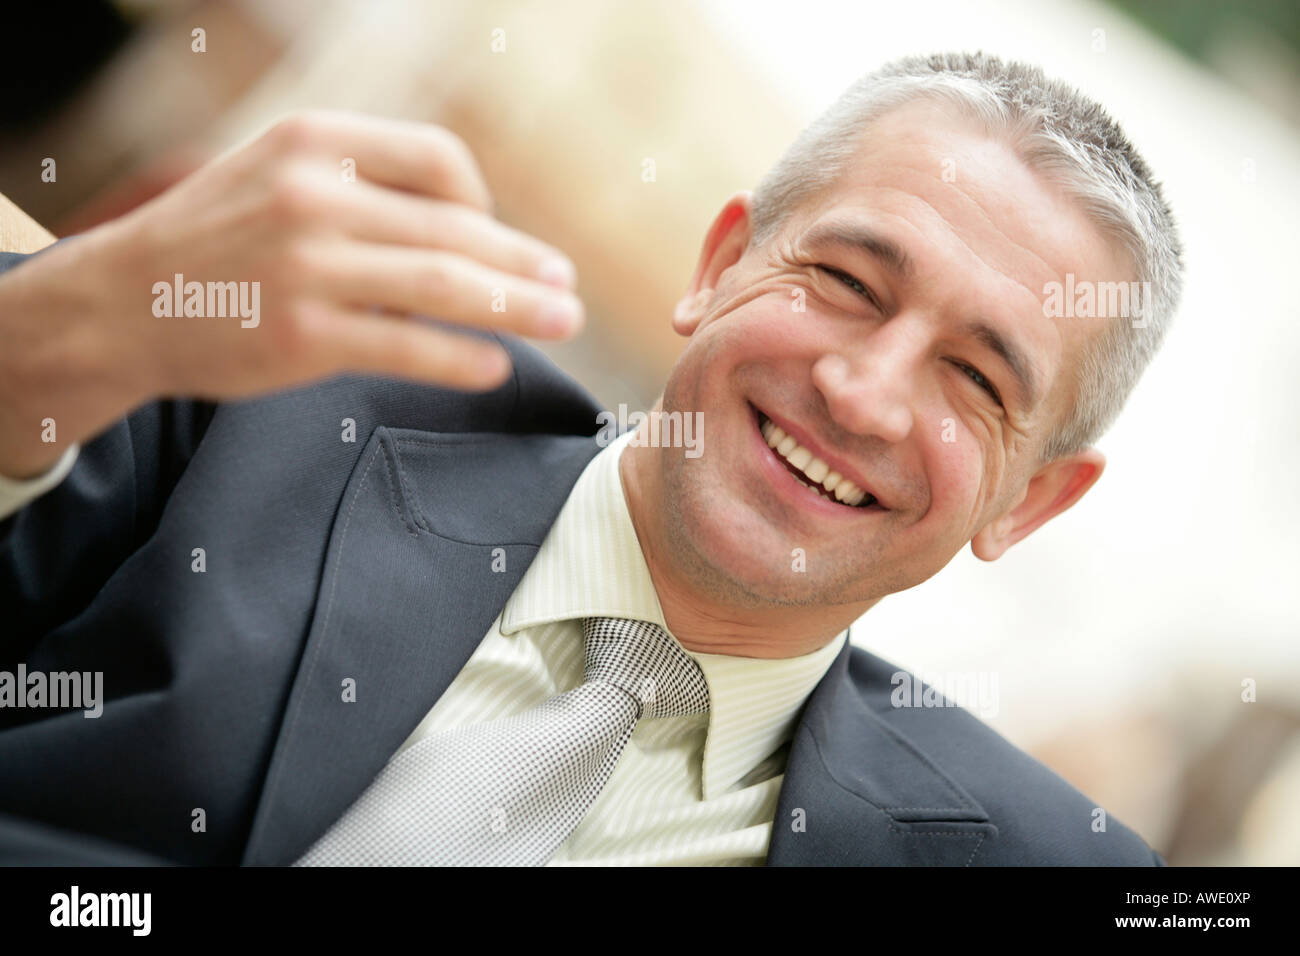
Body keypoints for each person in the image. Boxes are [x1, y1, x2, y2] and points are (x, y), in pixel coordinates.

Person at [0, 52, 1180, 866]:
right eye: (845, 283)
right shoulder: (288, 391)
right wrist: (77, 319)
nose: (861, 392)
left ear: (1028, 502)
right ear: (718, 265)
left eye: (974, 381)